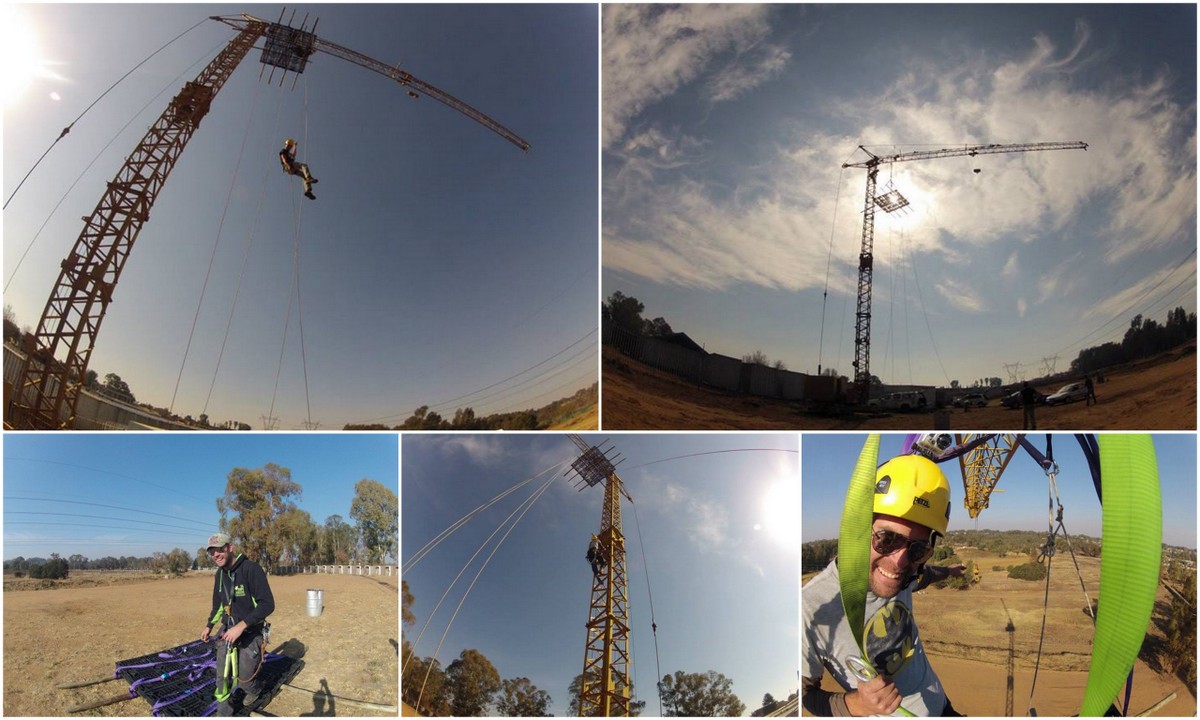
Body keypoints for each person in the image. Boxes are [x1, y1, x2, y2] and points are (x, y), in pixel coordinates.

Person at [802, 455, 965, 716]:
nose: (899, 561)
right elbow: (804, 694)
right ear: (857, 528)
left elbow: (923, 577)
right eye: (887, 539)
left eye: (917, 549)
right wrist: (856, 705)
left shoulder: (905, 578)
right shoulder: (810, 607)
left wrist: (949, 571)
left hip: (942, 708)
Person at [201, 532, 275, 716]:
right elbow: (218, 604)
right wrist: (210, 625)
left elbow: (267, 604)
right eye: (212, 552)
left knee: (244, 681)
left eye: (219, 549)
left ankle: (255, 690)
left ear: (230, 548)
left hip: (251, 632)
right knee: (222, 676)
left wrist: (241, 626)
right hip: (227, 631)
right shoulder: (220, 575)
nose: (215, 555)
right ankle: (223, 713)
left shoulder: (251, 569)